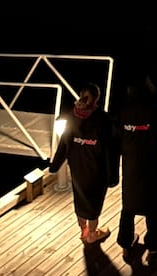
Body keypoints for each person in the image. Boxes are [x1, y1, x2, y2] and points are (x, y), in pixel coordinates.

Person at [114, 74, 157, 264]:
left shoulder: (122, 112)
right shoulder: (155, 110)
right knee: (153, 207)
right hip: (151, 164)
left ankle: (126, 244)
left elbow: (115, 136)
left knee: (128, 206)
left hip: (130, 166)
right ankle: (154, 248)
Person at [49, 82, 119, 244]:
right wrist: (112, 177)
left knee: (80, 200)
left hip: (77, 168)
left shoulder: (72, 116)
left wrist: (54, 166)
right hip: (96, 170)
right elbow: (111, 151)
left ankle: (83, 230)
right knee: (94, 204)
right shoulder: (104, 120)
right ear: (96, 100)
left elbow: (64, 144)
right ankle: (93, 235)